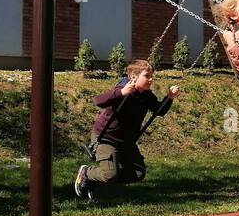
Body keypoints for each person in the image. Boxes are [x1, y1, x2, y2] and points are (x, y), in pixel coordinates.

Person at [75, 60, 180, 200]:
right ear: (133, 77)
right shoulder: (123, 88)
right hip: (107, 137)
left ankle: (96, 180)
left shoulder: (146, 94)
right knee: (109, 175)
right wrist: (122, 92)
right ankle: (87, 173)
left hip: (126, 141)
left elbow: (158, 111)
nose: (151, 79)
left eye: (151, 76)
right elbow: (98, 101)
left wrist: (169, 98)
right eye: (147, 76)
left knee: (138, 173)